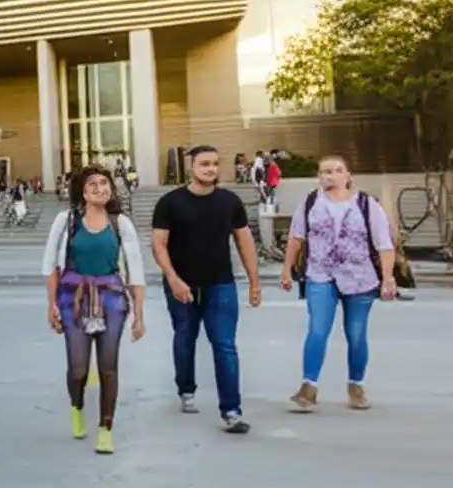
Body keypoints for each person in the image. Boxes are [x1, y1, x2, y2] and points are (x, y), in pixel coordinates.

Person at [151, 144, 262, 434]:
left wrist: (254, 281)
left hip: (220, 284)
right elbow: (159, 244)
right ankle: (186, 389)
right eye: (204, 164)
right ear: (192, 167)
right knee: (185, 337)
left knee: (225, 345)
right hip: (182, 285)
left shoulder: (229, 202)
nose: (210, 169)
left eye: (214, 164)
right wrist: (173, 279)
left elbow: (244, 241)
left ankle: (232, 411)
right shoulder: (170, 203)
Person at [42, 165, 146, 455]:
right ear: (83, 192)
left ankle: (105, 429)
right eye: (93, 184)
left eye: (104, 183)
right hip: (71, 298)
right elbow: (50, 265)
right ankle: (77, 405)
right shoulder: (67, 221)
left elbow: (135, 270)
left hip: (112, 298)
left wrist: (140, 314)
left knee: (108, 368)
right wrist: (50, 304)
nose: (100, 188)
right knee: (78, 369)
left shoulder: (120, 223)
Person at [281, 155, 398, 412]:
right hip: (320, 275)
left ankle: (356, 386)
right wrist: (287, 269)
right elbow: (296, 237)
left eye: (336, 171)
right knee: (317, 330)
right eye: (324, 172)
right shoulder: (311, 202)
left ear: (348, 176)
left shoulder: (367, 205)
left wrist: (388, 277)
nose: (329, 176)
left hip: (360, 279)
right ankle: (308, 388)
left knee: (356, 335)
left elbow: (384, 245)